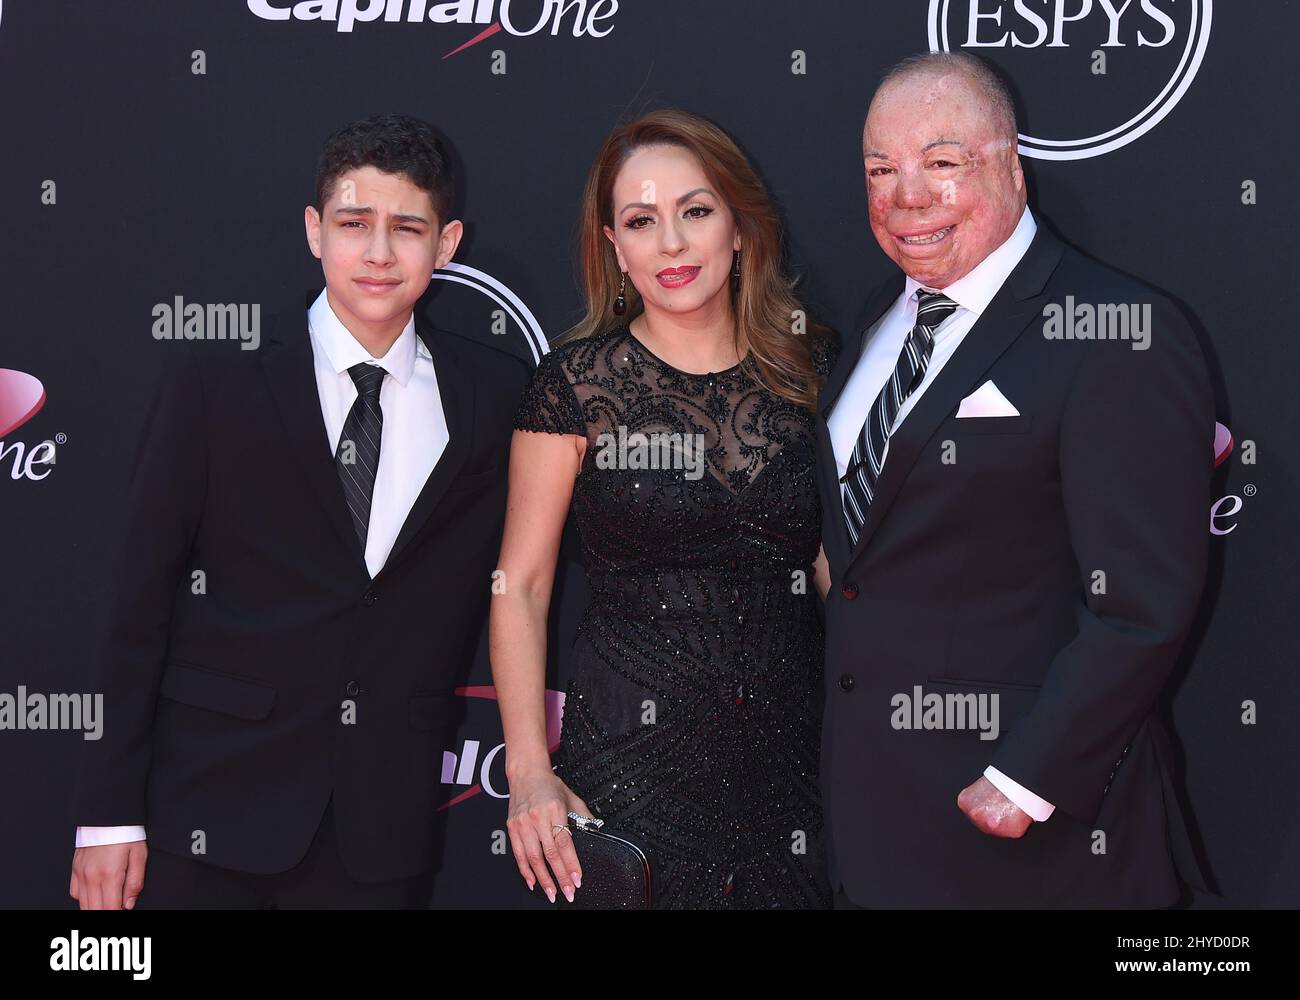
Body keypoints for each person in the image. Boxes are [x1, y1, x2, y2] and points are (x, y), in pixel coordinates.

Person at [69, 114, 529, 908]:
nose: (379, 253)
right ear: (316, 232)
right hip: (206, 812)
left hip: (382, 829)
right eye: (355, 224)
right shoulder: (219, 380)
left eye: (406, 228)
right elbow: (137, 602)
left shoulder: (495, 395)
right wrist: (108, 816)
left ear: (447, 244)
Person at [818, 53, 1214, 908]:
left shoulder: (1118, 330)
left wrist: (1027, 779)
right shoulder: (874, 321)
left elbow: (1142, 598)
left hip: (1033, 838)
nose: (906, 196)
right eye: (881, 169)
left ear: (1012, 166)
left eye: (943, 162)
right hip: (872, 827)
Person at [491, 109, 838, 909]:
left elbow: (836, 569)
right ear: (615, 246)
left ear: (742, 227)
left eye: (696, 211)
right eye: (643, 221)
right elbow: (523, 584)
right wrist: (530, 773)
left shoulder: (814, 367)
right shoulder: (574, 387)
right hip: (629, 769)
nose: (672, 245)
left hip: (794, 764)